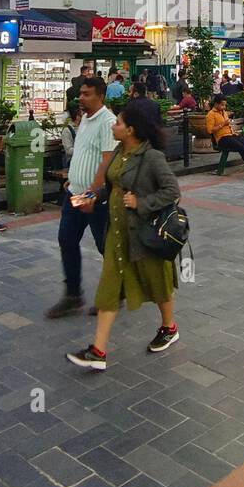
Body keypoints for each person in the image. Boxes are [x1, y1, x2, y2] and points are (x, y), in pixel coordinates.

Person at [66, 105, 183, 370]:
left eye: (117, 123)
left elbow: (172, 191)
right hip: (117, 234)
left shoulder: (151, 157)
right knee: (108, 289)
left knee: (158, 283)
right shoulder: (121, 151)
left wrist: (141, 202)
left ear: (130, 130)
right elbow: (113, 185)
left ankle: (169, 326)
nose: (113, 126)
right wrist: (93, 197)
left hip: (144, 235)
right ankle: (98, 350)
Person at [46, 76, 117, 318]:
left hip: (95, 199)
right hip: (74, 193)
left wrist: (92, 194)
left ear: (101, 96)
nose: (81, 98)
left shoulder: (108, 121)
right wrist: (73, 178)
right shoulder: (85, 119)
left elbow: (107, 160)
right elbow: (85, 152)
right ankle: (73, 294)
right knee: (66, 239)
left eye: (87, 94)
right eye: (81, 93)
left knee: (105, 246)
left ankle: (115, 290)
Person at [206, 95, 244, 179]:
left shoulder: (223, 112)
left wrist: (233, 131)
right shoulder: (211, 114)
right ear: (216, 104)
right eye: (222, 105)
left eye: (225, 105)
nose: (224, 107)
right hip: (222, 138)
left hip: (231, 135)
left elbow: (228, 124)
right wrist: (222, 124)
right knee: (241, 147)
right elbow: (210, 130)